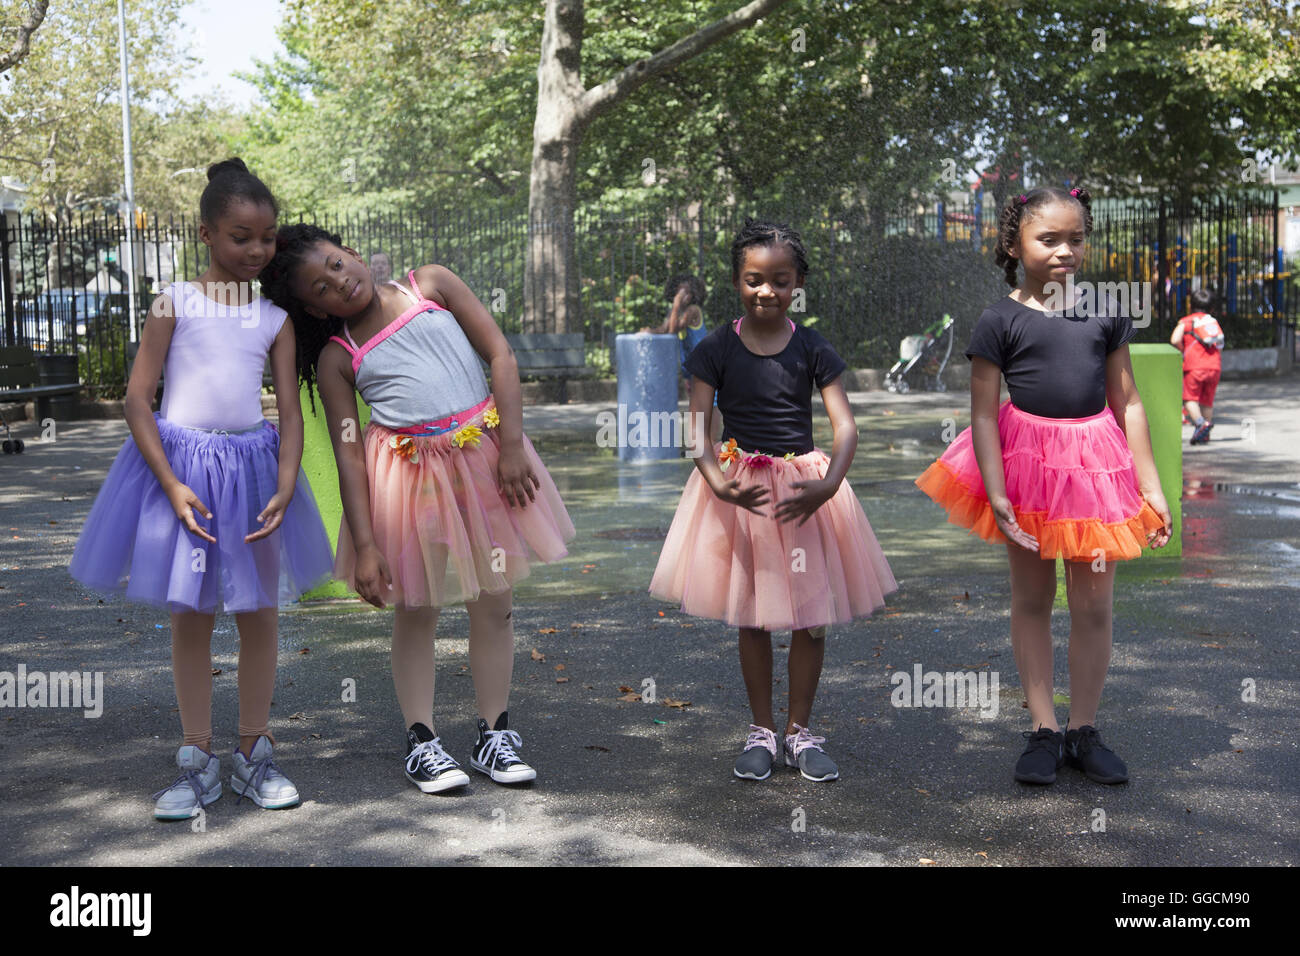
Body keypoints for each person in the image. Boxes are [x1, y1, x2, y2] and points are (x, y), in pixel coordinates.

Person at [259, 224, 575, 794]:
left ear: (350, 252)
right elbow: (349, 453)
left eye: (335, 264)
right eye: (320, 289)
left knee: (496, 601)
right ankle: (422, 740)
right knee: (417, 608)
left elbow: (500, 354)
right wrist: (366, 545)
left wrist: (510, 446)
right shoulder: (339, 357)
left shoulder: (428, 284)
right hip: (410, 480)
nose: (338, 283)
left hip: (486, 462)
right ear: (310, 309)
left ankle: (494, 733)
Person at [70, 159, 334, 820]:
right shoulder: (174, 301)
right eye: (242, 236)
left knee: (259, 613)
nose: (258, 249)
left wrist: (285, 481)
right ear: (206, 235)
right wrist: (172, 484)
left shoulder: (274, 317)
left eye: (267, 236)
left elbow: (292, 413)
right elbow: (137, 400)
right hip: (181, 472)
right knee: (190, 614)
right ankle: (197, 759)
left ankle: (253, 752)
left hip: (251, 474)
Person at [916, 186, 1172, 786]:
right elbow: (982, 413)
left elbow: (1128, 402)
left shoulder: (1105, 310)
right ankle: (1043, 730)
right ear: (1014, 244)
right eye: (1048, 239)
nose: (1064, 251)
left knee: (1094, 604)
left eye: (1075, 239)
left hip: (1096, 470)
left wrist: (1152, 489)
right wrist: (997, 490)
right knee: (1031, 599)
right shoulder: (998, 319)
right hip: (1027, 466)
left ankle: (1083, 730)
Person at [649, 219, 897, 783]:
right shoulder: (715, 348)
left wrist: (831, 482)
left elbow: (846, 425)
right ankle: (762, 729)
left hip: (805, 492)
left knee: (811, 619)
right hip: (743, 492)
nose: (767, 291)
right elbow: (697, 429)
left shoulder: (812, 346)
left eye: (780, 281)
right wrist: (713, 477)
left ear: (798, 283)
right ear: (738, 281)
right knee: (754, 614)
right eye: (754, 280)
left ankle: (800, 731)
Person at [1170, 288, 1224, 445]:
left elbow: (1174, 339)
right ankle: (1205, 435)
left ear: (1191, 305)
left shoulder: (1187, 322)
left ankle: (1201, 424)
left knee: (1189, 399)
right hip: (1214, 366)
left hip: (1194, 366)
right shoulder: (1211, 321)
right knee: (1207, 401)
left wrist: (1182, 348)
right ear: (1211, 308)